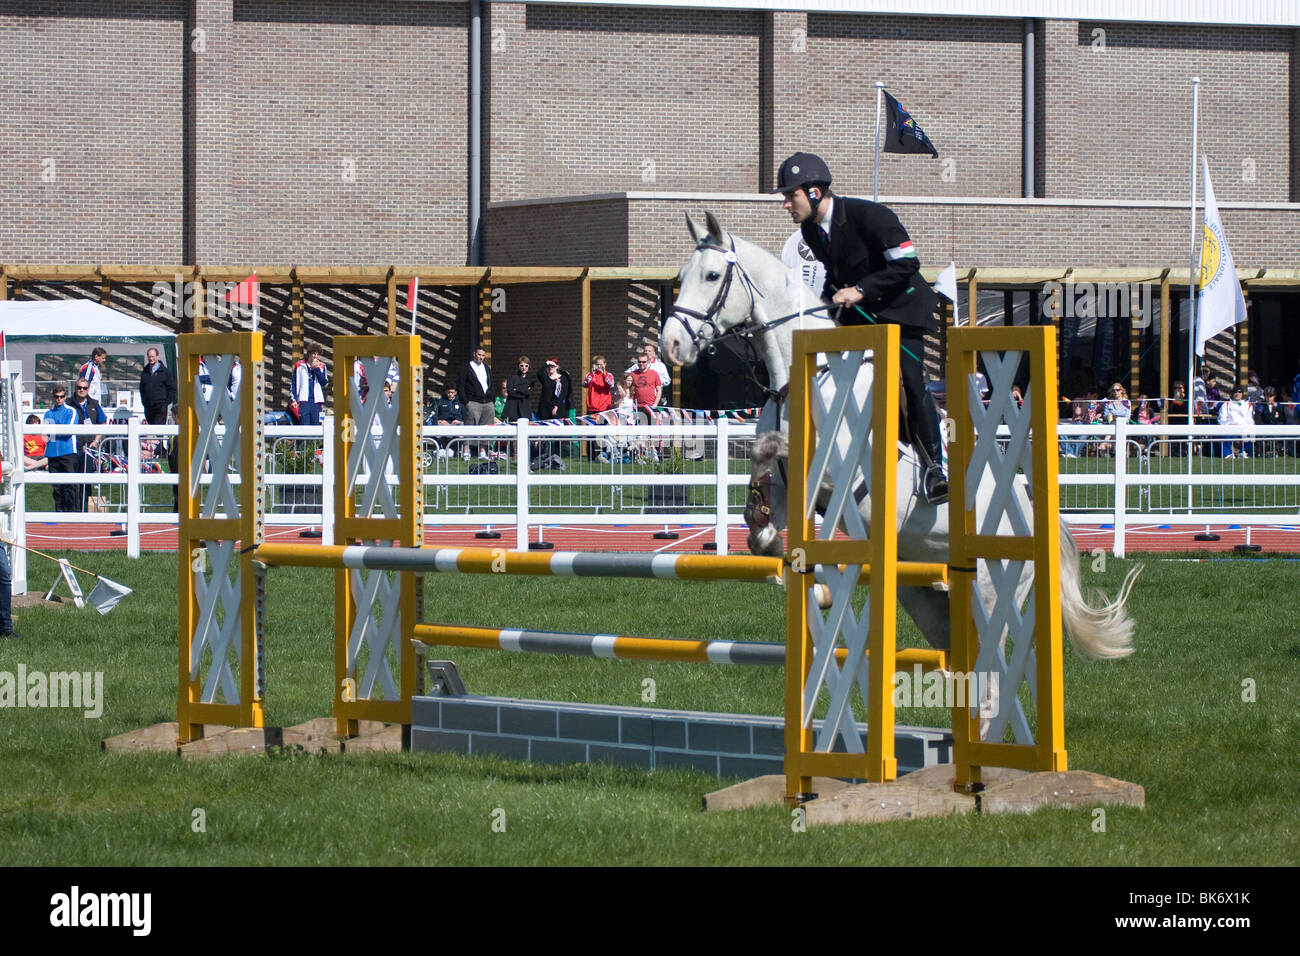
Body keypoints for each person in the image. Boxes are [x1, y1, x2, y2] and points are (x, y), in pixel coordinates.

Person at [774, 151, 947, 502]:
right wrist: (818, 303)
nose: (786, 204)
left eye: (790, 195)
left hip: (903, 310)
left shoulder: (872, 216)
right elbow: (837, 280)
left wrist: (861, 290)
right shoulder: (810, 231)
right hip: (862, 314)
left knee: (911, 383)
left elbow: (907, 264)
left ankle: (934, 468)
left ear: (815, 193)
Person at [70, 377, 107, 510]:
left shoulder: (94, 404)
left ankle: (85, 510)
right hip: (72, 448)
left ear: (88, 389)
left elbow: (102, 422)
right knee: (71, 481)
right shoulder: (68, 403)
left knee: (86, 481)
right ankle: (71, 511)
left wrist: (96, 441)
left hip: (89, 449)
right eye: (79, 387)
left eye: (84, 388)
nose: (81, 390)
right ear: (75, 388)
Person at [43, 385, 79, 512]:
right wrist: (57, 429)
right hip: (52, 453)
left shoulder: (71, 411)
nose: (59, 399)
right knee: (56, 487)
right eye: (57, 397)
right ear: (53, 397)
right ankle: (59, 511)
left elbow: (68, 431)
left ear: (65, 397)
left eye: (62, 396)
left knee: (70, 485)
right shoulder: (48, 413)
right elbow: (47, 433)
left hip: (68, 452)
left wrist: (55, 429)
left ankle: (73, 512)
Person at [458, 346, 494, 460]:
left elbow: (490, 383)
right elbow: (460, 385)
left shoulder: (486, 368)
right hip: (473, 402)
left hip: (487, 402)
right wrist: (466, 402)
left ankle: (482, 452)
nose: (481, 357)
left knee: (486, 427)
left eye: (483, 355)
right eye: (479, 355)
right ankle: (466, 452)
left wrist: (491, 397)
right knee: (470, 426)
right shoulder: (466, 368)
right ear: (474, 354)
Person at [138, 347, 176, 427]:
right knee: (151, 429)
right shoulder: (145, 372)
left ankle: (159, 440)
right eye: (149, 357)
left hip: (160, 406)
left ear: (157, 356)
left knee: (158, 430)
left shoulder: (165, 372)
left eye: (153, 356)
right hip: (148, 407)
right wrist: (144, 401)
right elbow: (141, 388)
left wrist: (166, 403)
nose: (151, 359)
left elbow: (171, 388)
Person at [292, 347, 329, 426]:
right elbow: (294, 383)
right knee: (304, 426)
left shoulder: (322, 366)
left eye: (317, 354)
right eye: (314, 354)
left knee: (316, 426)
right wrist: (294, 399)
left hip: (316, 402)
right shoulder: (299, 365)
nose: (316, 356)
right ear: (309, 354)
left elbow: (324, 382)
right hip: (303, 401)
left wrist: (317, 369)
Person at [1218, 384, 1254, 458]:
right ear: (1232, 393)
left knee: (1250, 433)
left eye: (1239, 392)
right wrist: (1229, 424)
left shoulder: (1248, 405)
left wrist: (1242, 425)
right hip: (1230, 427)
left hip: (1243, 427)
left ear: (1242, 394)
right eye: (1235, 392)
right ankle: (1228, 454)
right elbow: (1221, 419)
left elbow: (1249, 419)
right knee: (1224, 433)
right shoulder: (1226, 405)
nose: (1237, 394)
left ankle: (1244, 453)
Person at [503, 356, 538, 424]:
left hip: (525, 408)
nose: (524, 368)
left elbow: (530, 393)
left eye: (526, 366)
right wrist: (525, 390)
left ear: (529, 366)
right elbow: (510, 392)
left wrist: (517, 389)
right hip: (513, 409)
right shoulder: (512, 378)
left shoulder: (531, 380)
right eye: (521, 365)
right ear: (518, 366)